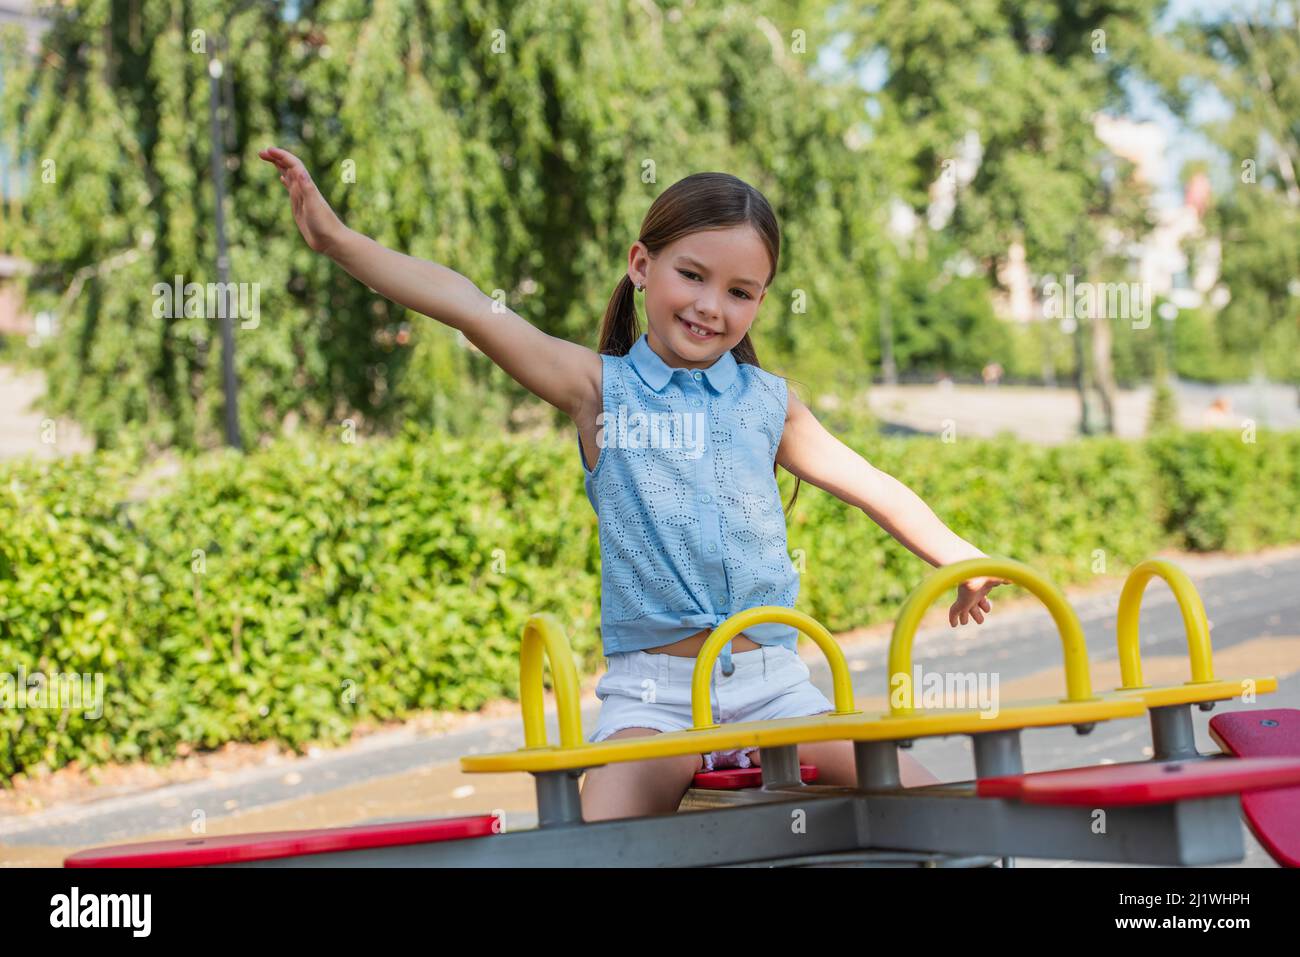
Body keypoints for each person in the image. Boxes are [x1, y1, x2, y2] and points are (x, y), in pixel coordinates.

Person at [259, 149, 1008, 822]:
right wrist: (335, 240)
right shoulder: (598, 389)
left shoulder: (766, 402)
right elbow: (466, 304)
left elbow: (870, 482)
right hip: (656, 696)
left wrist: (956, 555)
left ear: (760, 302)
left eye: (741, 291)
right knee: (600, 837)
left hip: (775, 683)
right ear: (641, 265)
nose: (712, 306)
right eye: (692, 275)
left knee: (928, 801)